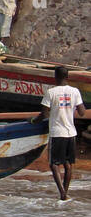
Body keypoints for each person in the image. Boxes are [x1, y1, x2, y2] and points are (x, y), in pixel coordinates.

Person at [35, 66, 86, 202]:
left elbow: (44, 114)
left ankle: (63, 194)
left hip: (57, 133)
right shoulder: (75, 91)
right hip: (71, 133)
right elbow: (82, 112)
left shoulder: (51, 92)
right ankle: (65, 192)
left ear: (55, 77)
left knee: (53, 164)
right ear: (67, 77)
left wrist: (34, 121)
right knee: (68, 164)